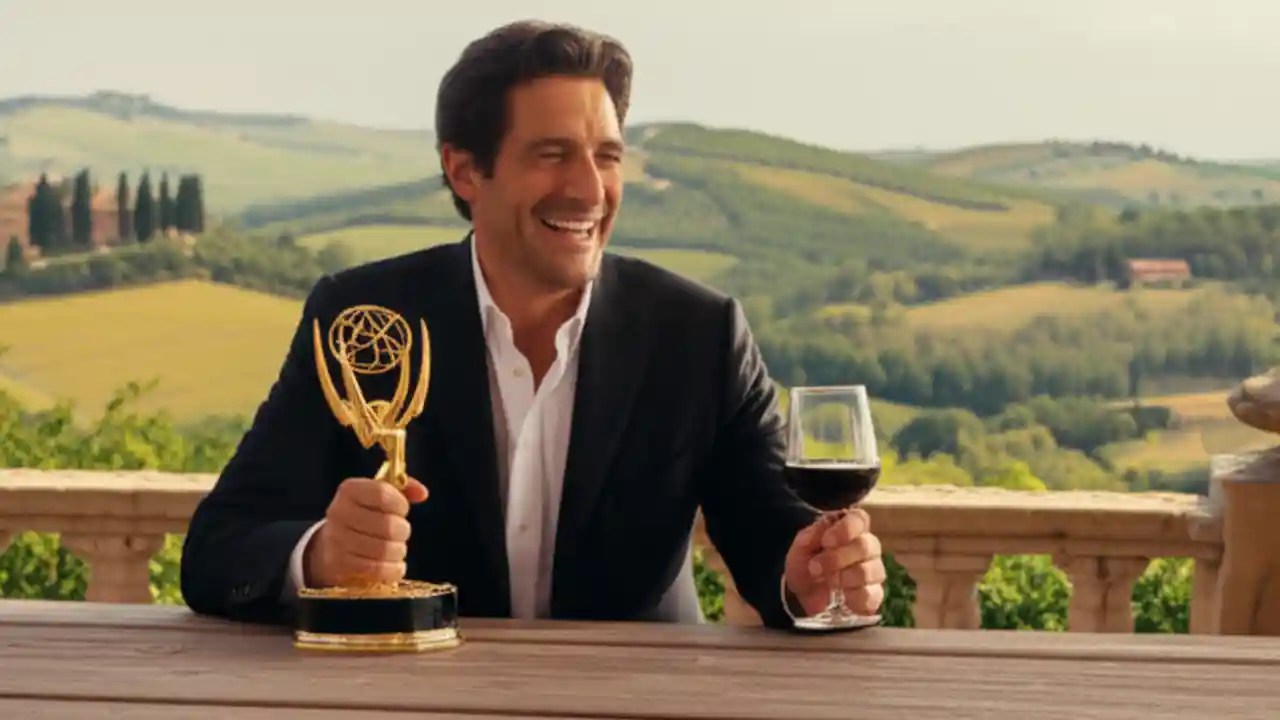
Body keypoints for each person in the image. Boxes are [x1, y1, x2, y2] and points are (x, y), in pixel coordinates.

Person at [180, 19, 885, 630]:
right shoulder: (362, 318)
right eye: (552, 155)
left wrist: (810, 574)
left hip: (636, 706)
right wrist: (320, 557)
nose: (588, 189)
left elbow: (773, 535)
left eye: (607, 156)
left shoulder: (700, 334)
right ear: (464, 172)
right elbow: (219, 548)